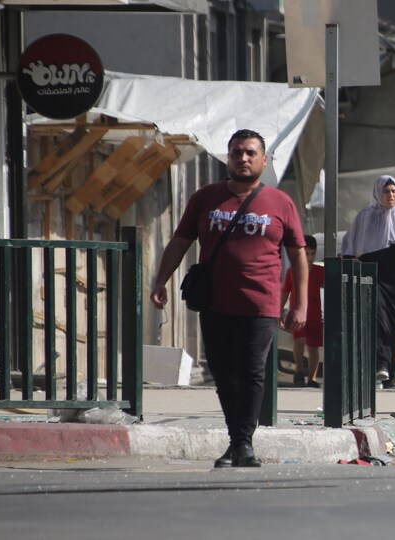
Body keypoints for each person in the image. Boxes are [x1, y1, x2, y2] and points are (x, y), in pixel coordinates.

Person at [150, 129, 307, 469]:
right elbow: (180, 241)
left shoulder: (280, 203)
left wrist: (299, 303)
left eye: (251, 153)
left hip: (261, 306)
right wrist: (161, 279)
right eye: (237, 152)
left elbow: (298, 254)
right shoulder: (206, 197)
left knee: (251, 373)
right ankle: (238, 442)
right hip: (215, 303)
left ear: (264, 160)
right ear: (228, 157)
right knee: (224, 375)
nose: (244, 158)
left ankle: (242, 443)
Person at [342, 175, 395, 388]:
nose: (390, 195)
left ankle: (392, 376)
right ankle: (380, 364)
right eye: (385, 191)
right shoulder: (364, 217)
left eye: (393, 191)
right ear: (377, 193)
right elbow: (350, 247)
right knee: (378, 322)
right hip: (374, 278)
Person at [280, 234, 324, 388]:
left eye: (312, 254)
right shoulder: (292, 271)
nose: (310, 257)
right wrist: (279, 311)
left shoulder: (319, 272)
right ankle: (299, 368)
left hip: (315, 315)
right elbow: (285, 292)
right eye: (306, 254)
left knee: (313, 347)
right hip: (298, 314)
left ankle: (311, 378)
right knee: (299, 341)